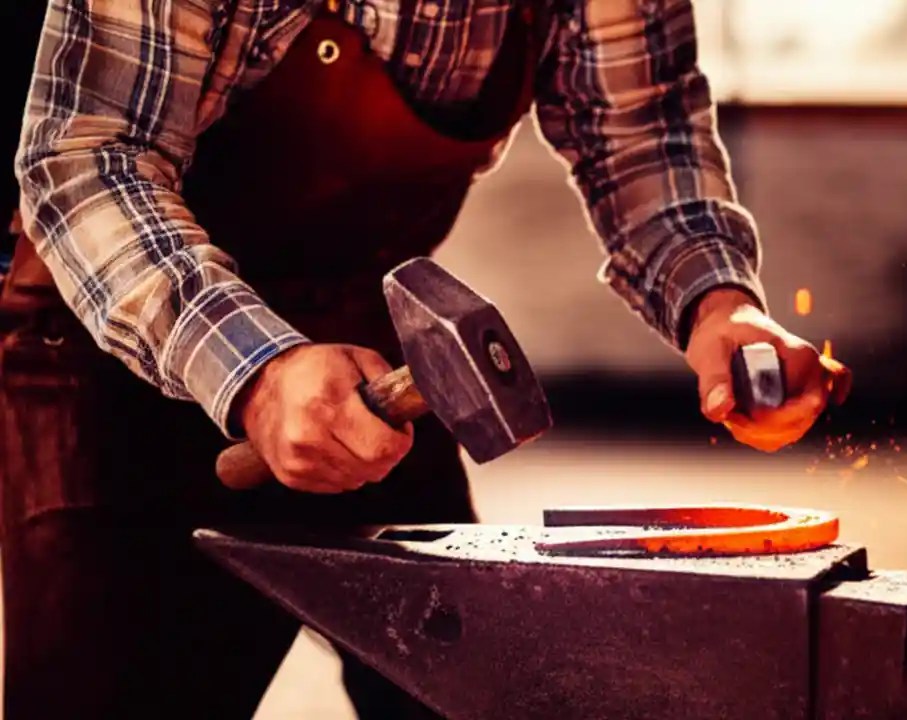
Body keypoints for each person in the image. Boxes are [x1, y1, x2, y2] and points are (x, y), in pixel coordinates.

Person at [3, 0, 848, 716]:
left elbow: (641, 132)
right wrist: (257, 371)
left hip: (372, 373)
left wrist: (721, 305)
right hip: (113, 348)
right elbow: (87, 156)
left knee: (465, 692)